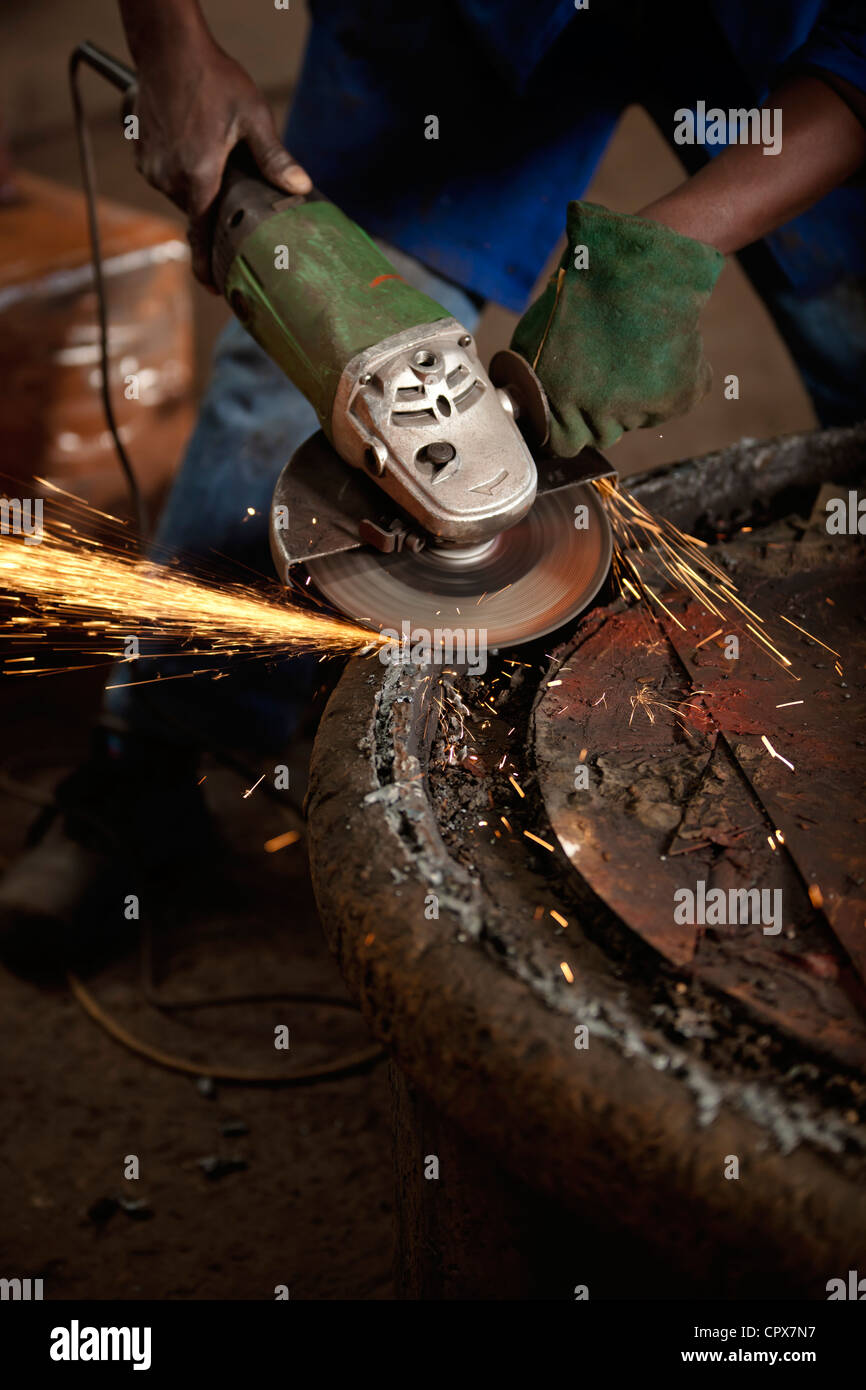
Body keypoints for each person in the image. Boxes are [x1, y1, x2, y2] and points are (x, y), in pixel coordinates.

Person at [1, 0, 864, 971]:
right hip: (470, 17)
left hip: (785, 29)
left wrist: (667, 251)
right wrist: (170, 48)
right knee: (303, 354)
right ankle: (142, 775)